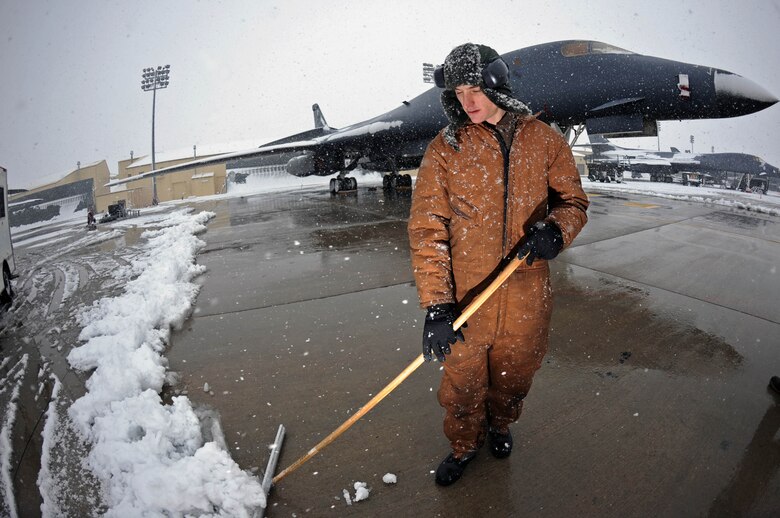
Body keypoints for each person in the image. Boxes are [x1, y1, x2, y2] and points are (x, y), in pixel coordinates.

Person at [408, 43, 589, 486]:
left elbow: (574, 203)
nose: (466, 102)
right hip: (469, 299)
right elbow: (427, 228)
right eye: (457, 92)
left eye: (474, 89)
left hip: (528, 293)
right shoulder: (445, 148)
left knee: (515, 375)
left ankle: (501, 426)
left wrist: (557, 230)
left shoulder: (543, 140)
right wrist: (436, 305)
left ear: (496, 84)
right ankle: (464, 446)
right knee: (463, 385)